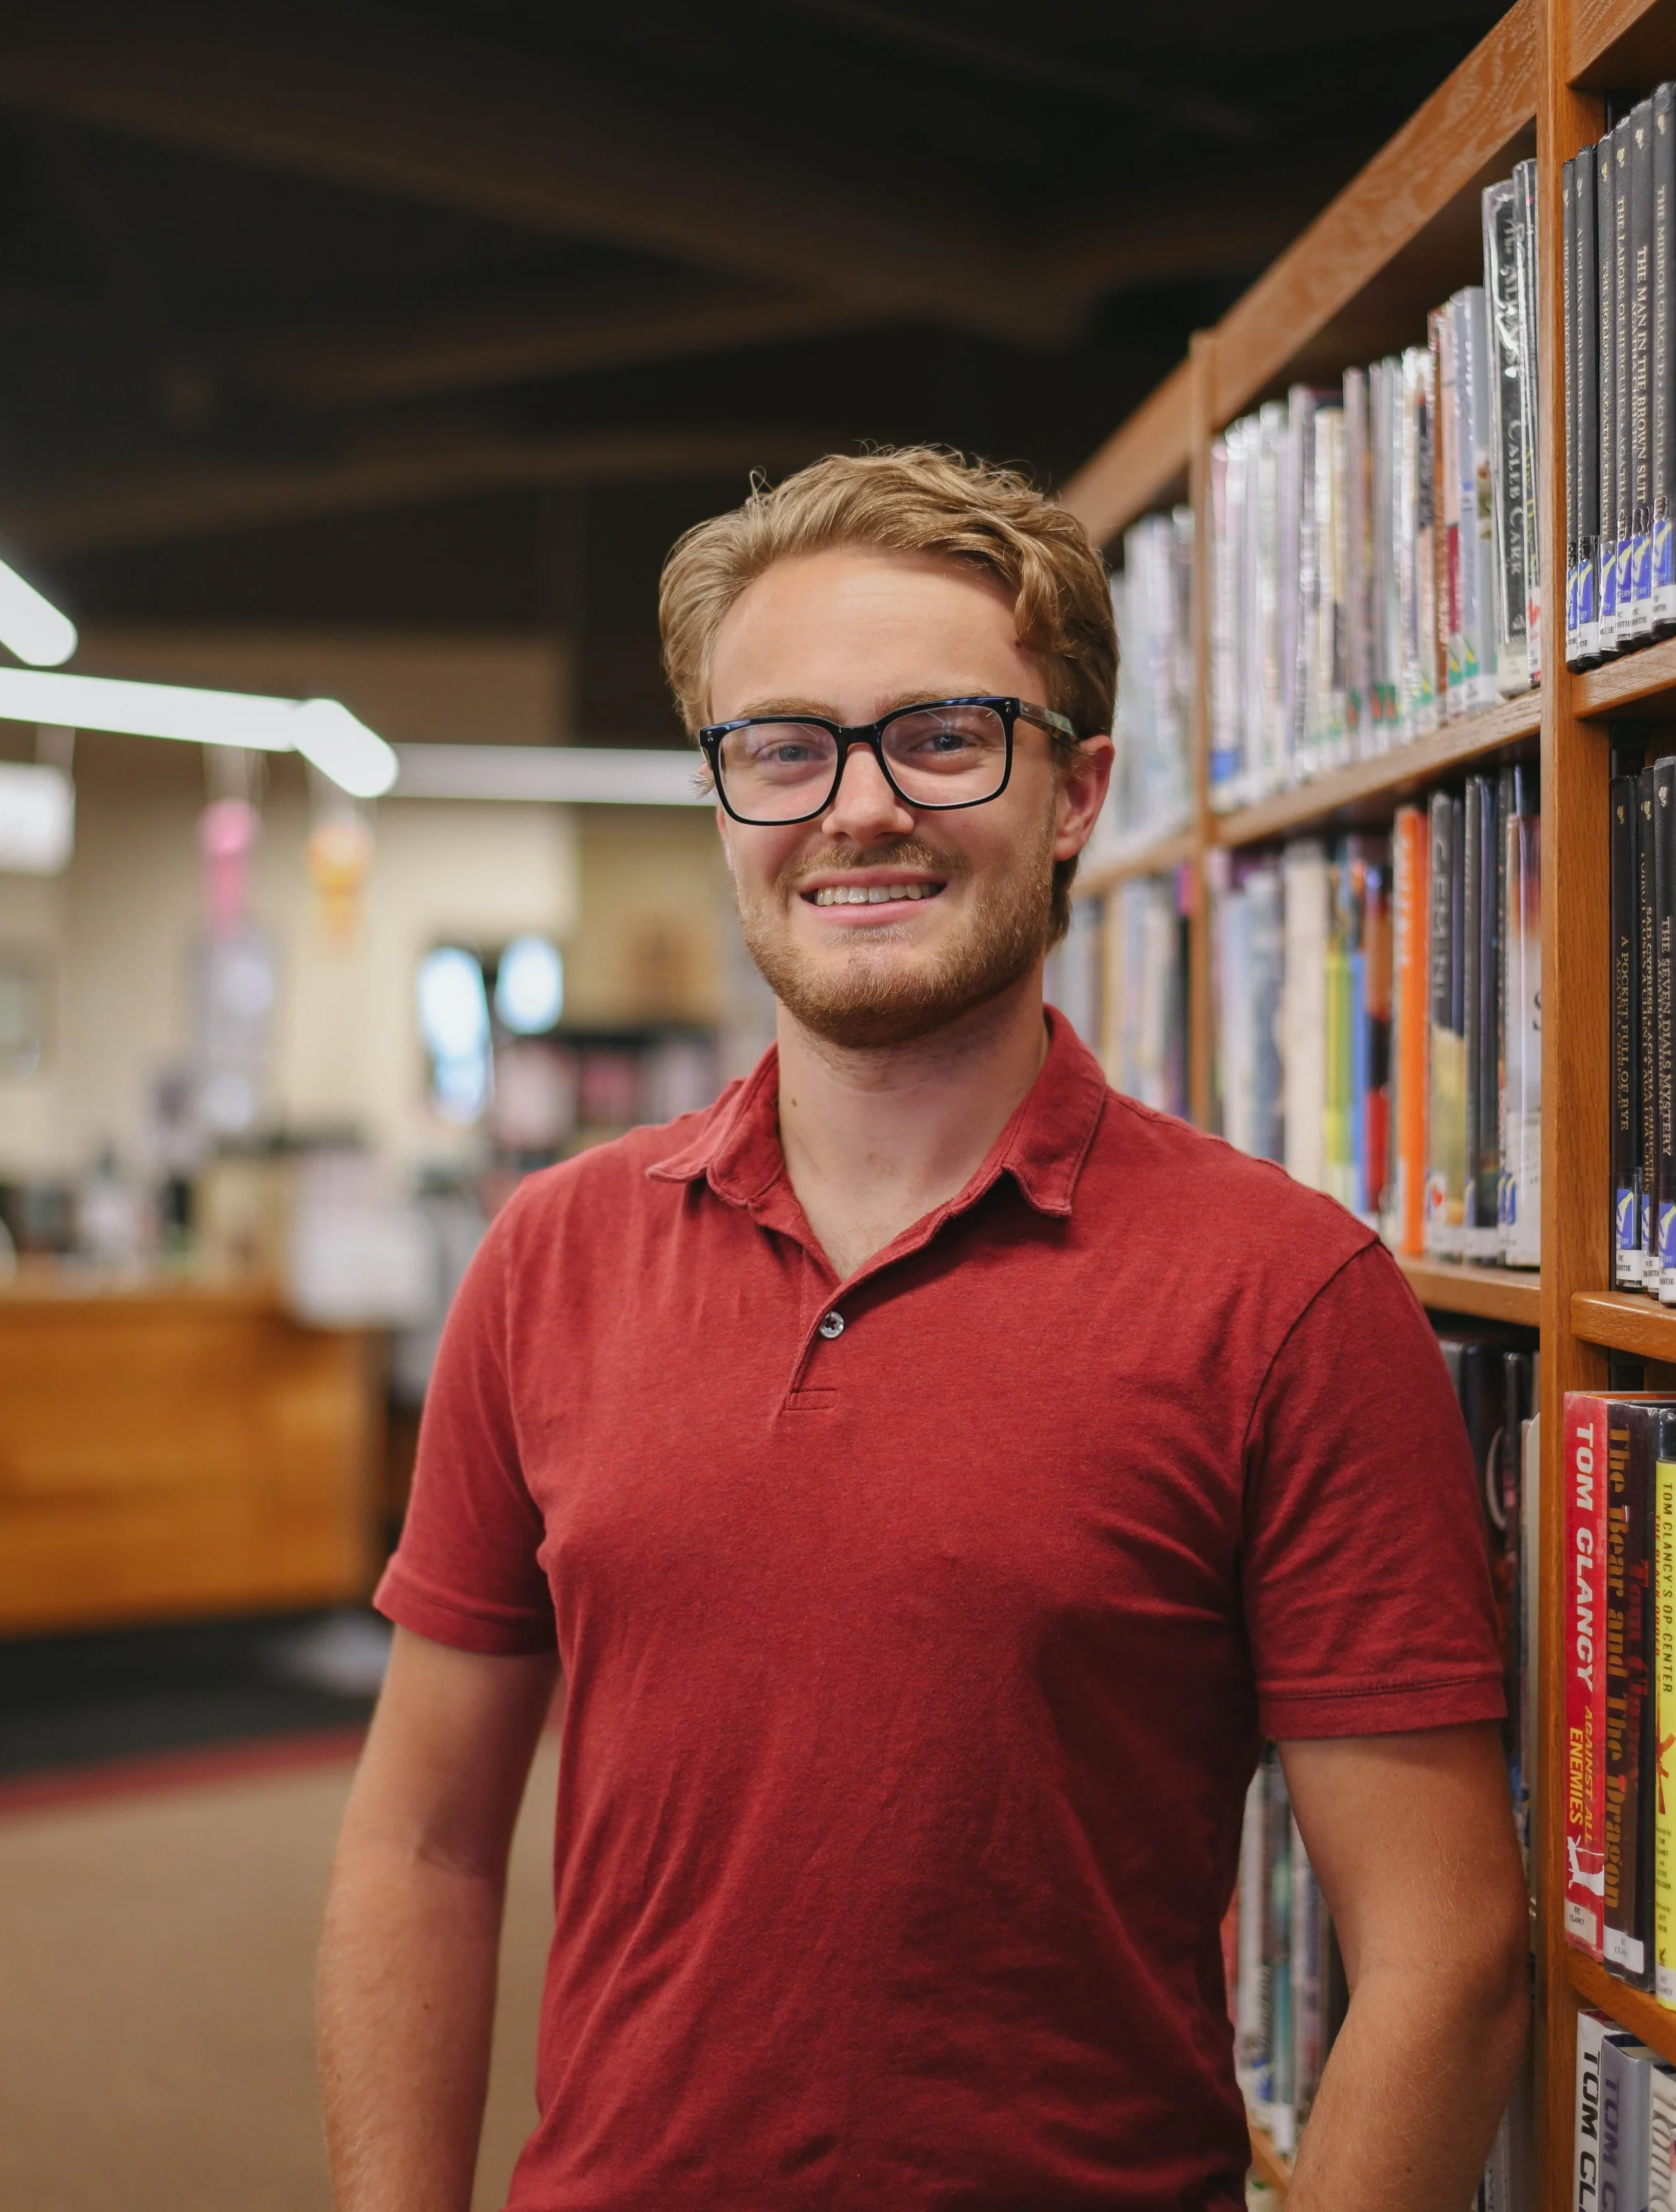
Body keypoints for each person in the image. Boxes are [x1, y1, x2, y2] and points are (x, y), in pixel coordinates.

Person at [319, 447, 1529, 2212]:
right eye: (782, 746)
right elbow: (420, 1838)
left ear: (1073, 792)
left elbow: (1441, 1954)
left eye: (941, 736)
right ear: (724, 797)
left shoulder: (1283, 1297)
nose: (856, 808)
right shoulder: (548, 1256)